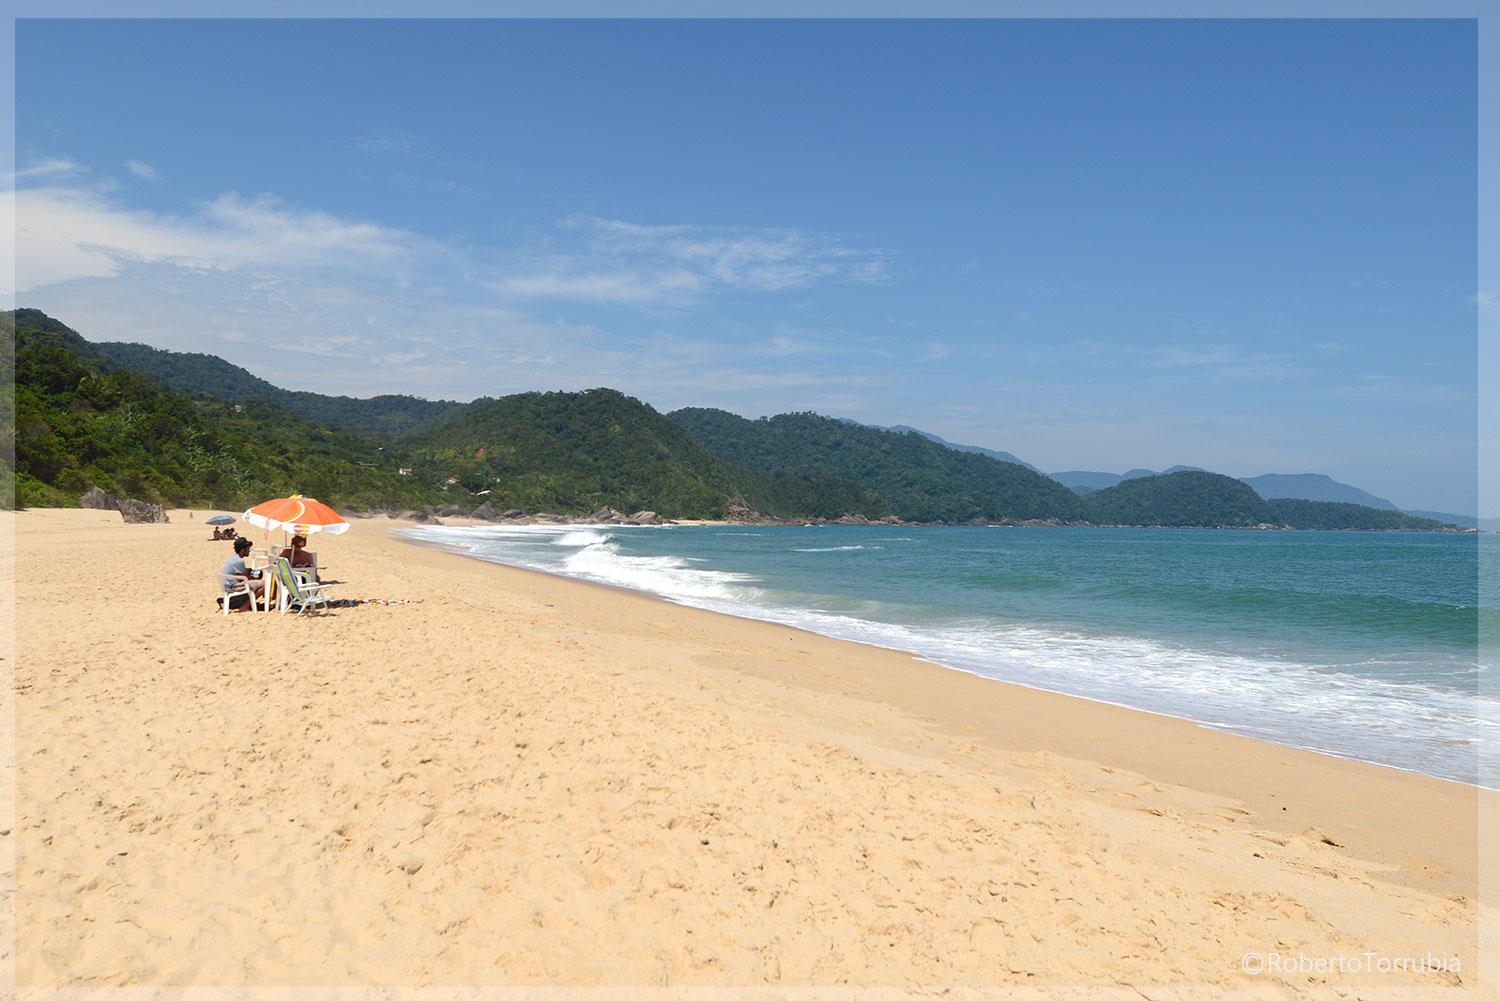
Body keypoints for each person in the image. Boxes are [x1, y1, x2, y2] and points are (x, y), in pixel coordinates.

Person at [220, 537, 264, 611]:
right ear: (243, 549)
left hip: (227, 585)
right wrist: (254, 576)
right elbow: (247, 578)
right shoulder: (239, 561)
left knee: (256, 582)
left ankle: (249, 602)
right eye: (248, 548)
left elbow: (240, 574)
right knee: (264, 583)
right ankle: (245, 606)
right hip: (233, 586)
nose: (249, 551)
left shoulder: (233, 558)